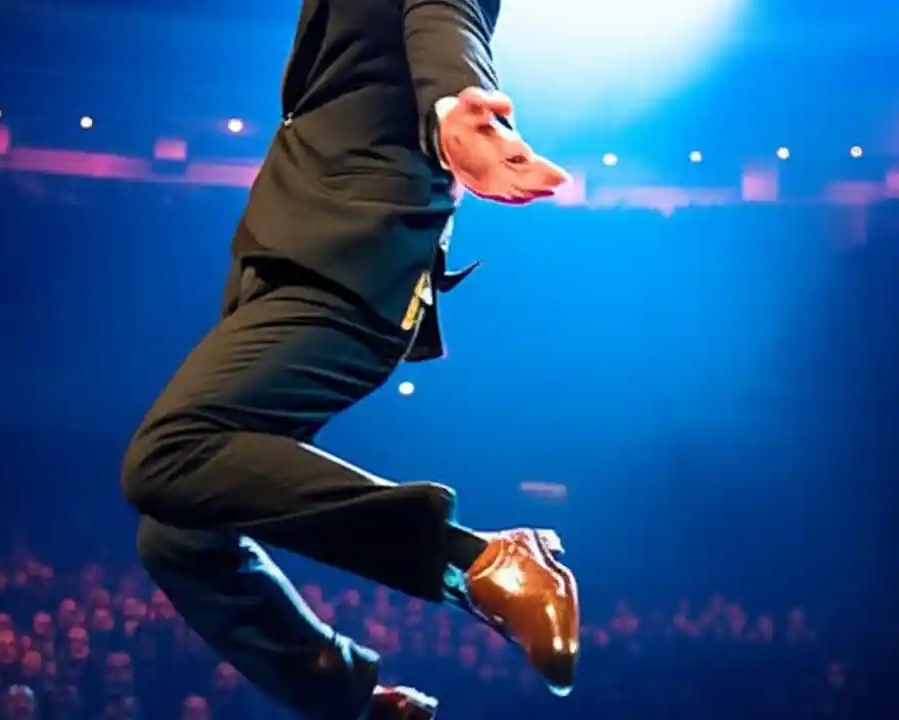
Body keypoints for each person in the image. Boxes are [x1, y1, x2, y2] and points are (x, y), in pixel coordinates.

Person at [120, 1, 579, 718]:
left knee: (167, 457)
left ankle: (474, 562)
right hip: (284, 256)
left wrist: (465, 113)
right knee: (178, 534)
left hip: (352, 258)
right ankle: (352, 701)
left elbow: (445, 18)